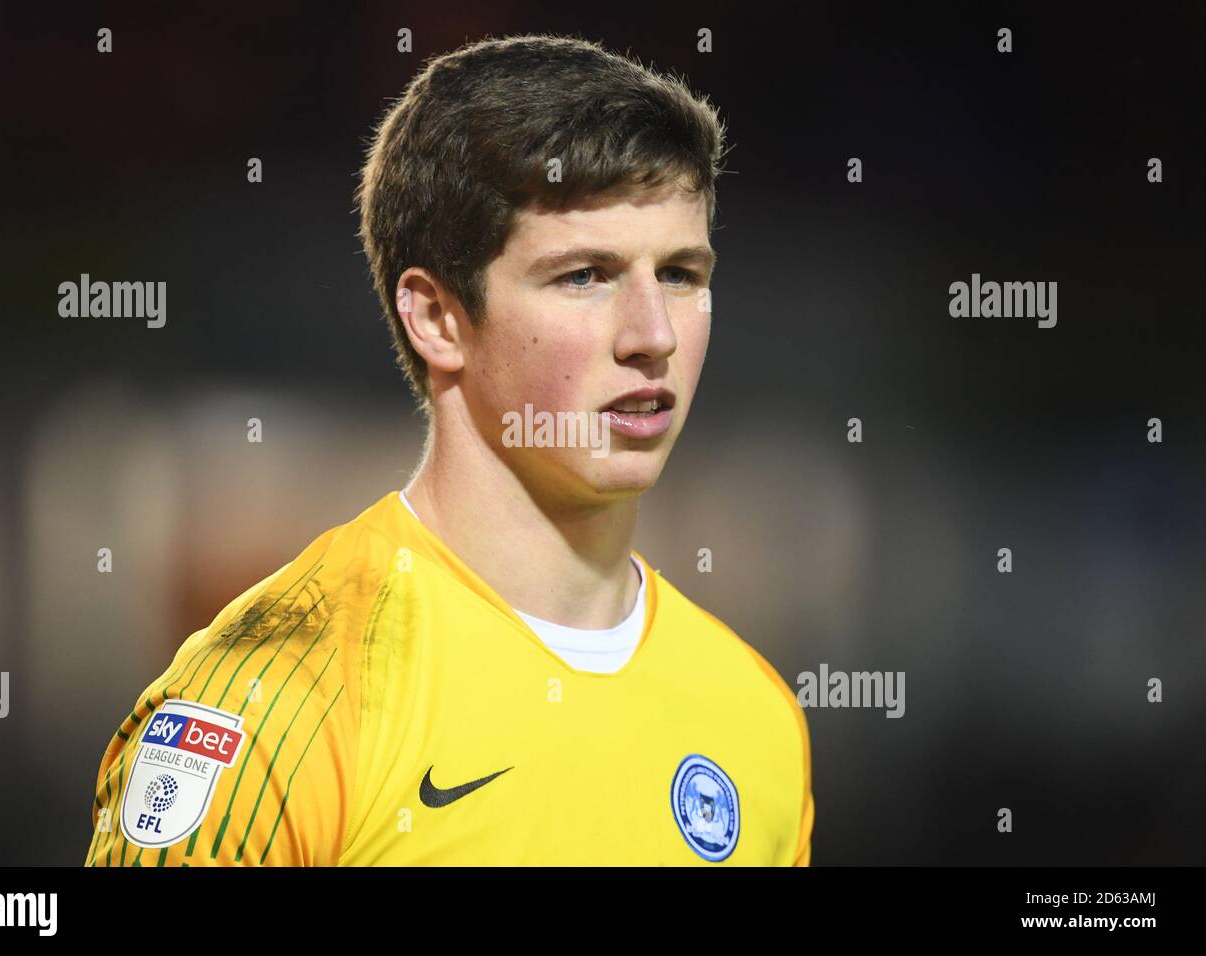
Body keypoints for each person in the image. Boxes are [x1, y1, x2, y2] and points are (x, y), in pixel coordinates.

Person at [85, 33, 812, 866]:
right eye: (585, 276)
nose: (654, 336)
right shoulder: (271, 699)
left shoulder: (756, 719)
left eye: (681, 275)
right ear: (436, 319)